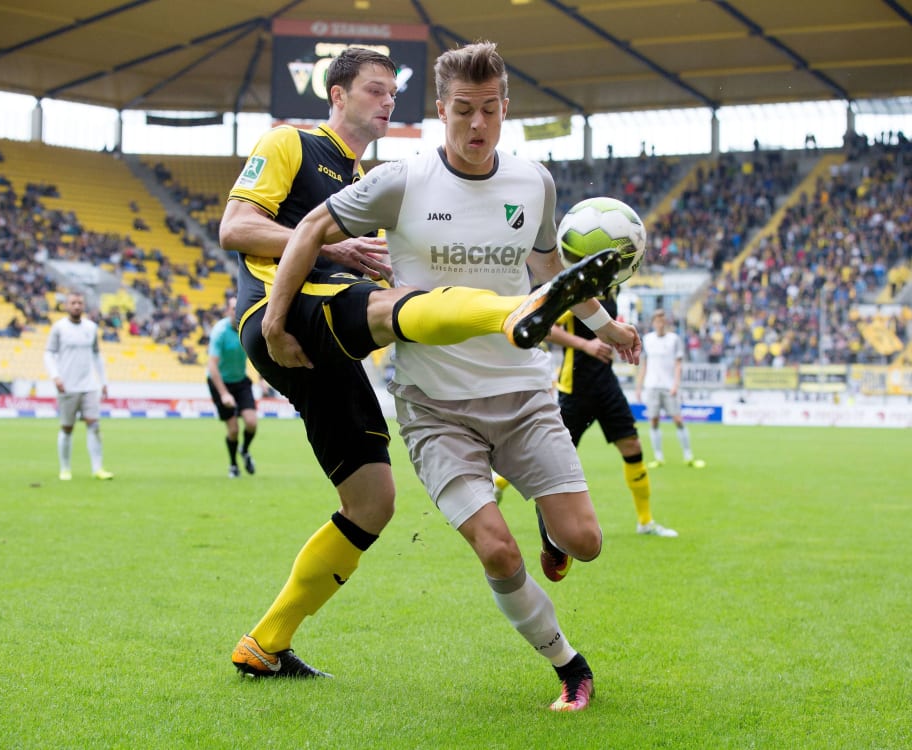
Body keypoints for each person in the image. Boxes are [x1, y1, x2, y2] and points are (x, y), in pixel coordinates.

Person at [221, 46, 622, 683]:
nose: (387, 102)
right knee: (392, 305)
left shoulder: (366, 174)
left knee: (372, 501)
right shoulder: (290, 144)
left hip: (332, 337)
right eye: (376, 90)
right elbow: (235, 226)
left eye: (391, 92)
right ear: (337, 94)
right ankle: (508, 315)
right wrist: (324, 259)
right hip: (286, 314)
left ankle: (265, 643)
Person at [546, 291, 678, 537]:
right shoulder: (575, 290)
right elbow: (546, 328)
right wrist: (585, 344)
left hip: (606, 383)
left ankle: (645, 521)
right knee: (552, 453)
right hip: (576, 386)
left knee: (632, 444)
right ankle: (499, 483)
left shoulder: (612, 289)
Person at [43, 291, 113, 481]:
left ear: (84, 306)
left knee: (94, 425)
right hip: (67, 386)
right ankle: (65, 469)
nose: (76, 306)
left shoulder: (91, 328)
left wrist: (104, 381)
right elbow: (49, 353)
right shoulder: (59, 328)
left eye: (80, 303)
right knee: (67, 428)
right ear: (66, 305)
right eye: (73, 303)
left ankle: (97, 469)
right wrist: (55, 376)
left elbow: (97, 355)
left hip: (89, 385)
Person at [635, 308, 705, 468]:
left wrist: (676, 384)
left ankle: (688, 455)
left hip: (669, 387)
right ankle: (658, 457)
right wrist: (639, 387)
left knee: (678, 420)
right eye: (658, 321)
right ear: (653, 323)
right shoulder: (647, 339)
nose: (661, 324)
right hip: (652, 386)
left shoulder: (674, 339)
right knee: (653, 421)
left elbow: (678, 364)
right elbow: (644, 365)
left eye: (663, 321)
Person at [206, 297, 258, 478]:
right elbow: (212, 366)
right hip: (220, 382)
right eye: (233, 308)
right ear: (227, 311)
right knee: (233, 429)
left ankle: (244, 450)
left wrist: (263, 378)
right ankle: (233, 465)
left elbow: (257, 353)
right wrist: (224, 394)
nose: (237, 310)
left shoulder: (247, 327)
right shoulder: (220, 332)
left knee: (251, 423)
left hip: (241, 381)